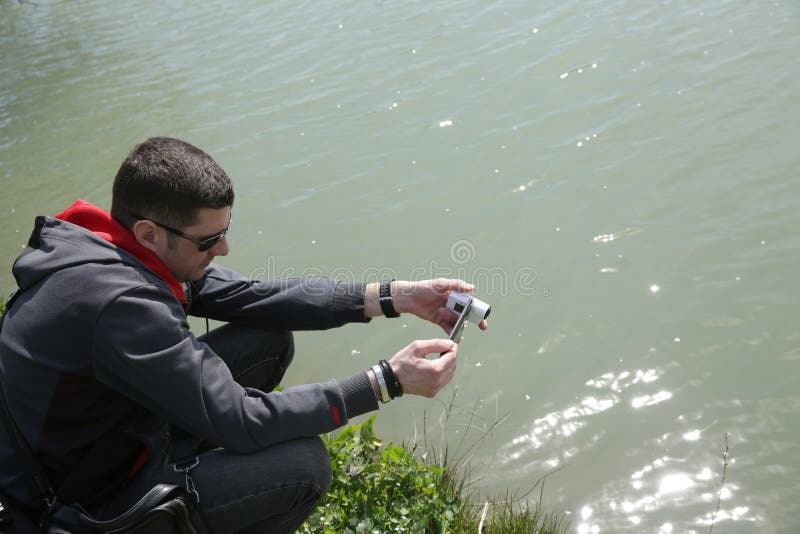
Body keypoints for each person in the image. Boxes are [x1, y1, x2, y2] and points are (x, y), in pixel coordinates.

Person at [0, 137, 487, 533]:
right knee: (304, 466)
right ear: (150, 233)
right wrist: (386, 381)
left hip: (110, 430)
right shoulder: (121, 305)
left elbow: (259, 297)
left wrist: (396, 296)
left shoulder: (113, 250)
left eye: (225, 230)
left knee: (269, 336)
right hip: (83, 498)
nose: (225, 248)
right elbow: (242, 420)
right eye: (209, 240)